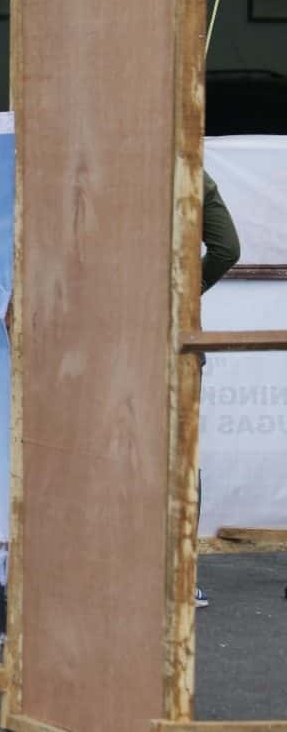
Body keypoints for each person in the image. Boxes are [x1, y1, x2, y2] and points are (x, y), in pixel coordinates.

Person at [195, 169, 240, 608]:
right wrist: (188, 290)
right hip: (175, 333)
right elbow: (227, 249)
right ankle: (179, 574)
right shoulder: (192, 171)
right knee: (180, 453)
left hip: (109, 329)